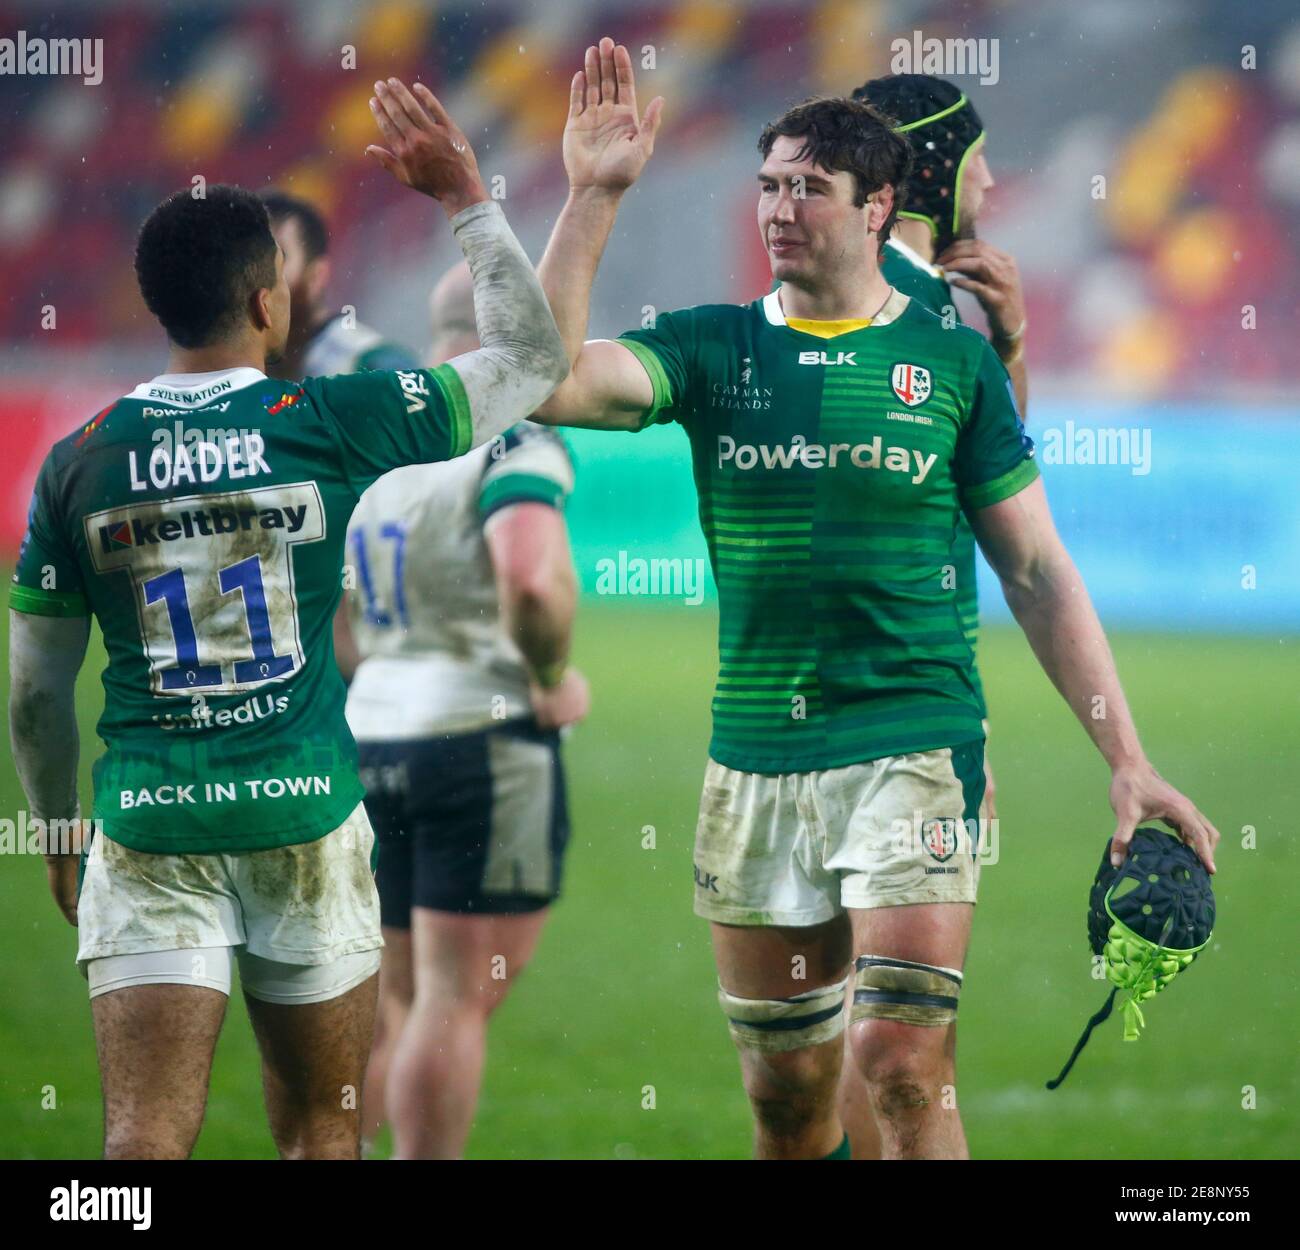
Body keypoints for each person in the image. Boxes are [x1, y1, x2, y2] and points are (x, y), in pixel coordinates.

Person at [529, 38, 1219, 1159]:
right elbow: (550, 377)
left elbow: (1035, 569)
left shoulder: (952, 362)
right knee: (789, 1101)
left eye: (808, 188)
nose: (778, 210)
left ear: (876, 205)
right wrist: (590, 198)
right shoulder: (712, 348)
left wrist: (1126, 756)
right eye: (767, 187)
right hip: (754, 755)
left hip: (914, 743)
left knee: (901, 1065)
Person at [7, 77, 567, 1159]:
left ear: (155, 305)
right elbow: (531, 364)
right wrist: (464, 197)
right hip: (306, 815)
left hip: (152, 825)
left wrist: (56, 821)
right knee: (324, 1125)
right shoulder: (329, 422)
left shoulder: (77, 461)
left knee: (139, 1143)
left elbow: (35, 688)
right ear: (271, 304)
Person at [337, 260, 587, 1159]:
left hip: (372, 740)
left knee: (392, 995)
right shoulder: (510, 438)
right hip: (477, 741)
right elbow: (529, 576)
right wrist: (551, 669)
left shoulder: (381, 447)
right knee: (455, 999)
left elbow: (342, 625)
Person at [831, 71, 1033, 1158]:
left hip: (882, 718)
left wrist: (1005, 345)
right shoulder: (888, 307)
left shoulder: (924, 310)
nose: (990, 182)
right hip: (864, 716)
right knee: (878, 1045)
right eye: (975, 158)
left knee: (878, 1039)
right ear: (927, 169)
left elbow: (983, 491)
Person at [260, 189, 422, 379]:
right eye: (250, 258)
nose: (258, 273)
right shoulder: (233, 367)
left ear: (316, 276)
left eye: (278, 257)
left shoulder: (373, 365)